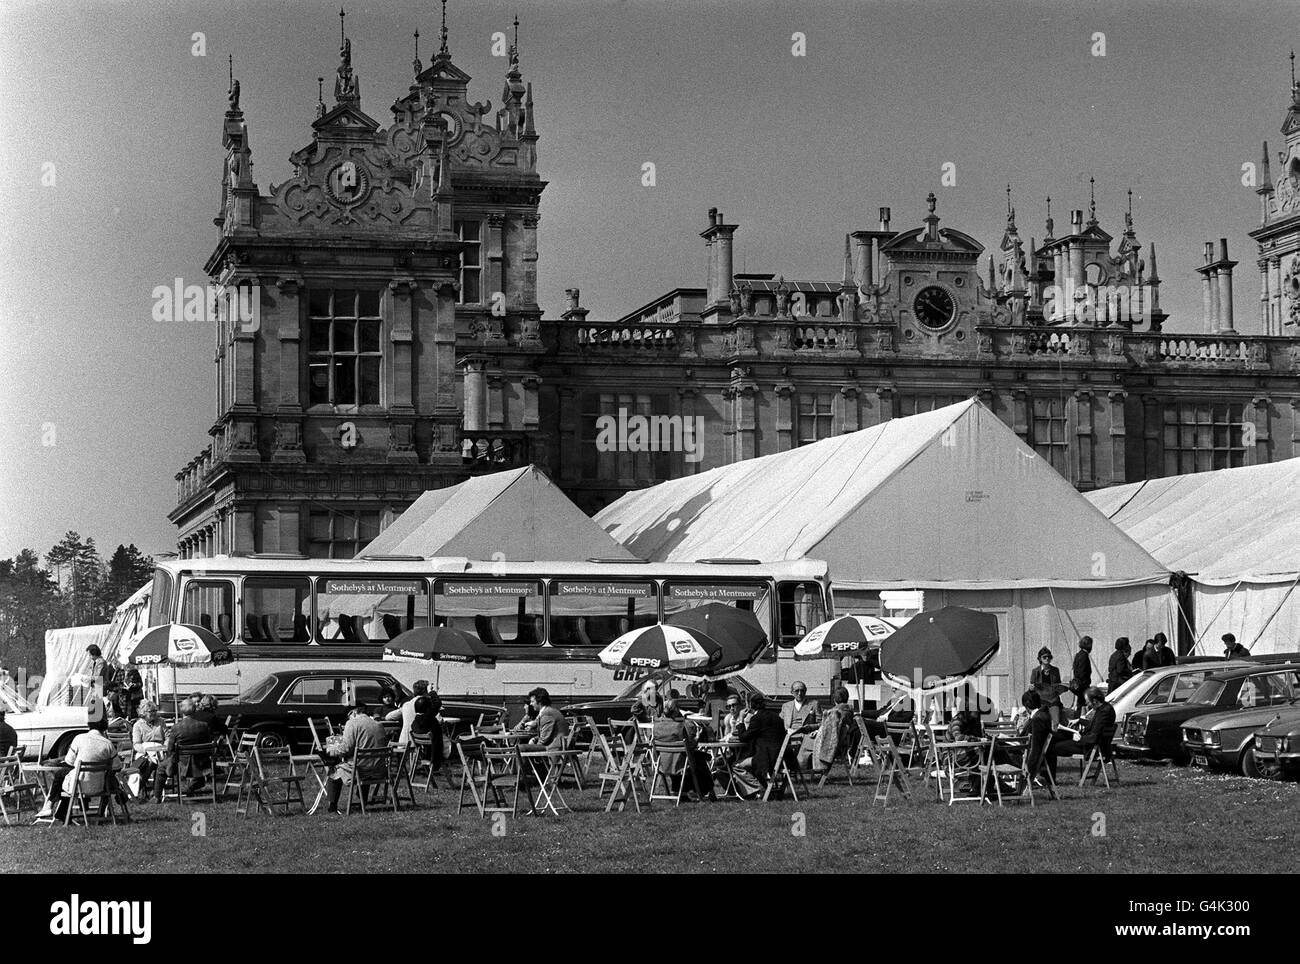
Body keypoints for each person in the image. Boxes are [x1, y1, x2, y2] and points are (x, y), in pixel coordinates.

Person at [37, 713, 123, 820]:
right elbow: (117, 767)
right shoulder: (108, 744)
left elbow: (69, 762)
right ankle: (61, 813)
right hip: (100, 786)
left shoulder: (79, 738)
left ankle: (49, 805)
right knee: (109, 777)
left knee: (61, 775)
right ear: (105, 727)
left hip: (77, 786)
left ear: (89, 725)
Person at [321, 702, 388, 815]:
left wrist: (331, 750)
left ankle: (332, 806)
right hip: (378, 769)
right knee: (365, 761)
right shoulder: (378, 724)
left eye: (349, 716)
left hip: (360, 771)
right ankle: (363, 801)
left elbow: (345, 749)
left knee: (334, 771)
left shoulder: (352, 723)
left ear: (353, 712)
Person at [652, 698, 716, 801]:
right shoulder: (679, 727)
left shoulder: (657, 726)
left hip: (663, 763)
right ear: (677, 710)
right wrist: (697, 737)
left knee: (694, 757)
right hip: (679, 763)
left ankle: (681, 791)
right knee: (699, 759)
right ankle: (709, 791)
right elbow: (690, 745)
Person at [154, 699, 213, 801]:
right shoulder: (204, 726)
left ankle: (156, 796)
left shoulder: (176, 728)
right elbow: (208, 745)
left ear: (181, 711)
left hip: (182, 765)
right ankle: (192, 786)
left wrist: (170, 760)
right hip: (201, 764)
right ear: (194, 710)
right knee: (198, 775)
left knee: (161, 767)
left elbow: (170, 749)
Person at [731, 694, 788, 798]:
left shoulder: (757, 718)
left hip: (767, 759)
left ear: (750, 705)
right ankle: (765, 789)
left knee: (736, 765)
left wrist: (740, 720)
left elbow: (744, 737)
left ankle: (760, 789)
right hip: (783, 758)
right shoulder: (776, 717)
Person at [1052, 687, 1117, 769]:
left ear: (1094, 701)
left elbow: (1094, 737)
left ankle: (1048, 776)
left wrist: (1079, 739)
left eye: (1088, 701)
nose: (1087, 704)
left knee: (1055, 746)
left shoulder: (1103, 712)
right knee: (1060, 737)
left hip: (1091, 748)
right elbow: (1096, 725)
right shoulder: (1105, 708)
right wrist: (1080, 720)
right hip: (1097, 745)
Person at [810, 687, 858, 774]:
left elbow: (829, 731)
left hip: (833, 745)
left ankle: (811, 769)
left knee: (807, 742)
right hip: (844, 743)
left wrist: (817, 732)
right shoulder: (848, 711)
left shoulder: (835, 713)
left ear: (834, 699)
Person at [130, 700, 167, 801]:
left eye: (155, 710)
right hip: (145, 752)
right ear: (143, 713)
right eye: (150, 711)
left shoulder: (161, 722)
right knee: (149, 762)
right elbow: (136, 744)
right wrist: (146, 751)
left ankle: (136, 791)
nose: (154, 713)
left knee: (154, 762)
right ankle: (154, 793)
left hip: (160, 751)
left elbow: (167, 738)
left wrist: (165, 746)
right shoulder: (138, 725)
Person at [780, 681, 820, 770]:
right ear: (791, 692)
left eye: (802, 691)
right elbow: (780, 722)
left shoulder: (814, 704)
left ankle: (800, 765)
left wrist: (812, 728)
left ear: (805, 691)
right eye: (796, 691)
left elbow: (821, 723)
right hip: (788, 735)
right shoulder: (786, 706)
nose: (799, 693)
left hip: (806, 735)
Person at [1021, 690, 1057, 790]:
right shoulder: (1043, 715)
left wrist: (1029, 768)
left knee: (995, 754)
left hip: (1025, 756)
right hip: (1027, 752)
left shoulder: (1037, 719)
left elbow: (1035, 748)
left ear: (1027, 706)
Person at [1030, 647, 1063, 731]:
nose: (1047, 659)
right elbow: (1031, 687)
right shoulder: (1035, 671)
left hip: (1053, 700)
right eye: (1044, 657)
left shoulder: (1055, 670)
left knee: (1056, 721)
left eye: (1048, 656)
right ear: (1040, 659)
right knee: (1038, 720)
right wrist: (1031, 688)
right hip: (1040, 700)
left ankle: (1054, 737)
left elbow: (1058, 685)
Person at [390, 680, 429, 746]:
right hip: (422, 742)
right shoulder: (427, 703)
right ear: (425, 691)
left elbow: (389, 716)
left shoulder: (406, 704)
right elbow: (439, 720)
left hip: (405, 741)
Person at [1068, 636, 1093, 719]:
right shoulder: (1084, 656)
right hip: (1083, 685)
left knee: (1081, 704)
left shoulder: (1078, 655)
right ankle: (1080, 720)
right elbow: (1082, 672)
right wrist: (1085, 683)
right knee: (1086, 704)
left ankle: (1077, 719)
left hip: (1078, 684)